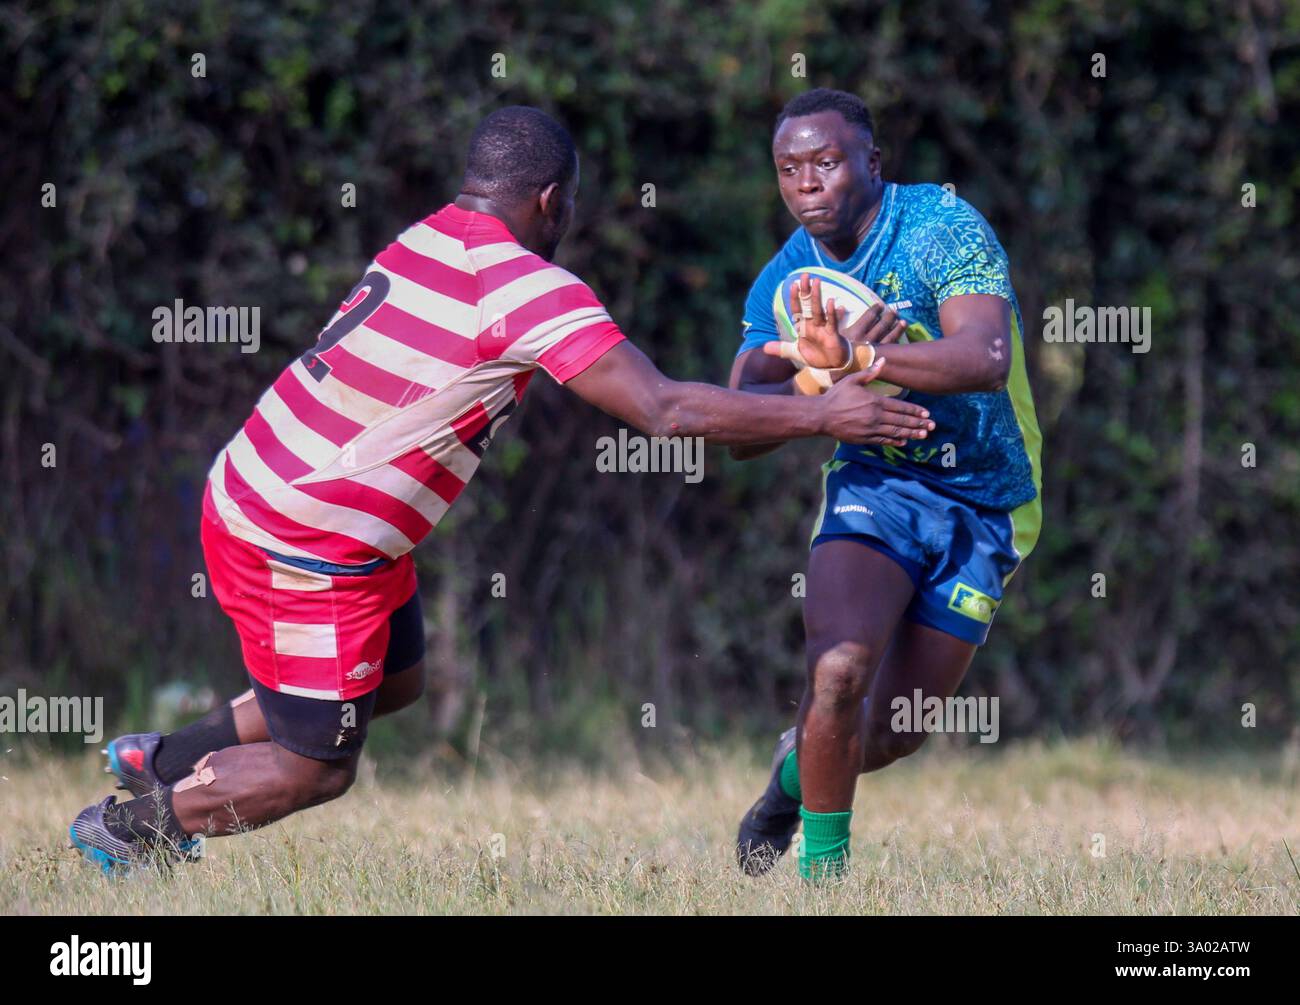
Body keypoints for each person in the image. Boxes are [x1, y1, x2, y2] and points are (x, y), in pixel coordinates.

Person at [69, 105, 933, 872]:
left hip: (271, 493)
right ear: (552, 200)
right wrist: (825, 417)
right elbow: (663, 409)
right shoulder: (525, 287)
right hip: (307, 543)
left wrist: (813, 391)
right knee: (316, 764)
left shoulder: (430, 234)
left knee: (394, 684)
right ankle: (133, 825)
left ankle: (165, 756)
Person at [731, 89, 1042, 880]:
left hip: (988, 497)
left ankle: (793, 775)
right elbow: (740, 420)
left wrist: (863, 362)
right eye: (788, 169)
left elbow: (985, 358)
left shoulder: (942, 227)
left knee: (896, 730)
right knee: (836, 674)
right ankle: (823, 882)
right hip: (878, 484)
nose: (806, 185)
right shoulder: (788, 277)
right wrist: (813, 389)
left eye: (826, 164)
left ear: (872, 162)